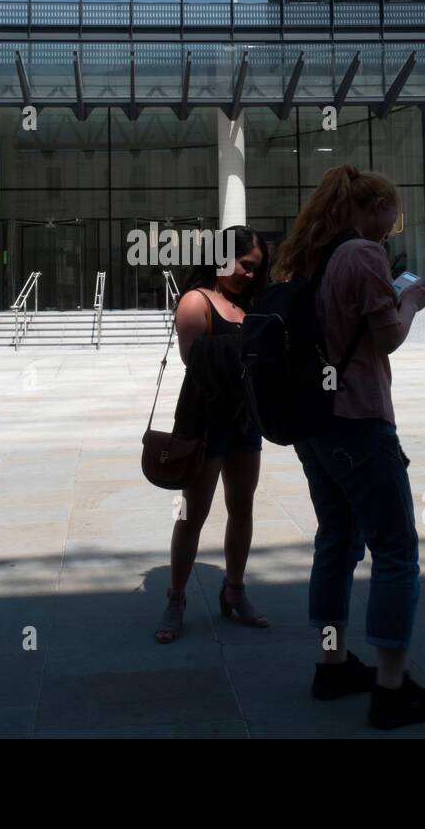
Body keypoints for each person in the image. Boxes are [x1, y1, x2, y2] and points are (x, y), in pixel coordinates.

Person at [275, 165, 425, 729]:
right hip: (358, 420)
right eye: (391, 212)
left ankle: (332, 663)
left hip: (313, 425)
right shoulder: (364, 255)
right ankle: (392, 688)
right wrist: (412, 301)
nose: (394, 223)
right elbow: (387, 337)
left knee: (336, 543)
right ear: (371, 208)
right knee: (395, 552)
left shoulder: (310, 256)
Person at [155, 226, 270, 643]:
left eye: (257, 269)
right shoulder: (196, 300)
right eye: (245, 265)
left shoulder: (249, 304)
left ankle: (234, 590)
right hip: (204, 420)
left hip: (244, 419)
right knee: (193, 513)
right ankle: (176, 597)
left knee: (243, 507)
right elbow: (194, 360)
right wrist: (254, 349)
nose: (251, 275)